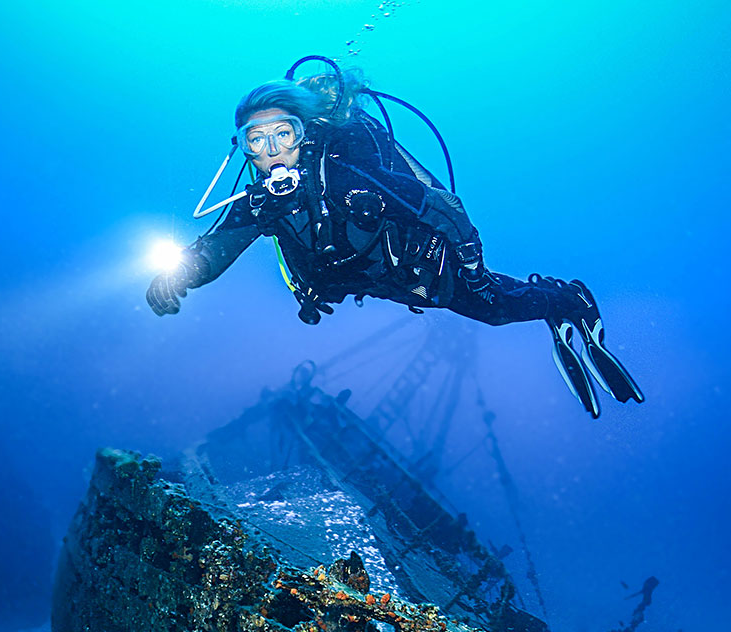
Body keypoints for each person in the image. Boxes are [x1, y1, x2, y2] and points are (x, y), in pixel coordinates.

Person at [147, 66, 643, 418]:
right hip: (370, 280)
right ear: (243, 149)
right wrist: (175, 277)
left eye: (284, 132)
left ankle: (565, 299)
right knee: (491, 304)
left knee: (494, 308)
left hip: (417, 269)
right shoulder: (261, 203)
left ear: (304, 133)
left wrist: (472, 268)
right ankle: (552, 299)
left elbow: (443, 208)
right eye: (257, 140)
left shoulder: (347, 174)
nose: (273, 150)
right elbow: (213, 249)